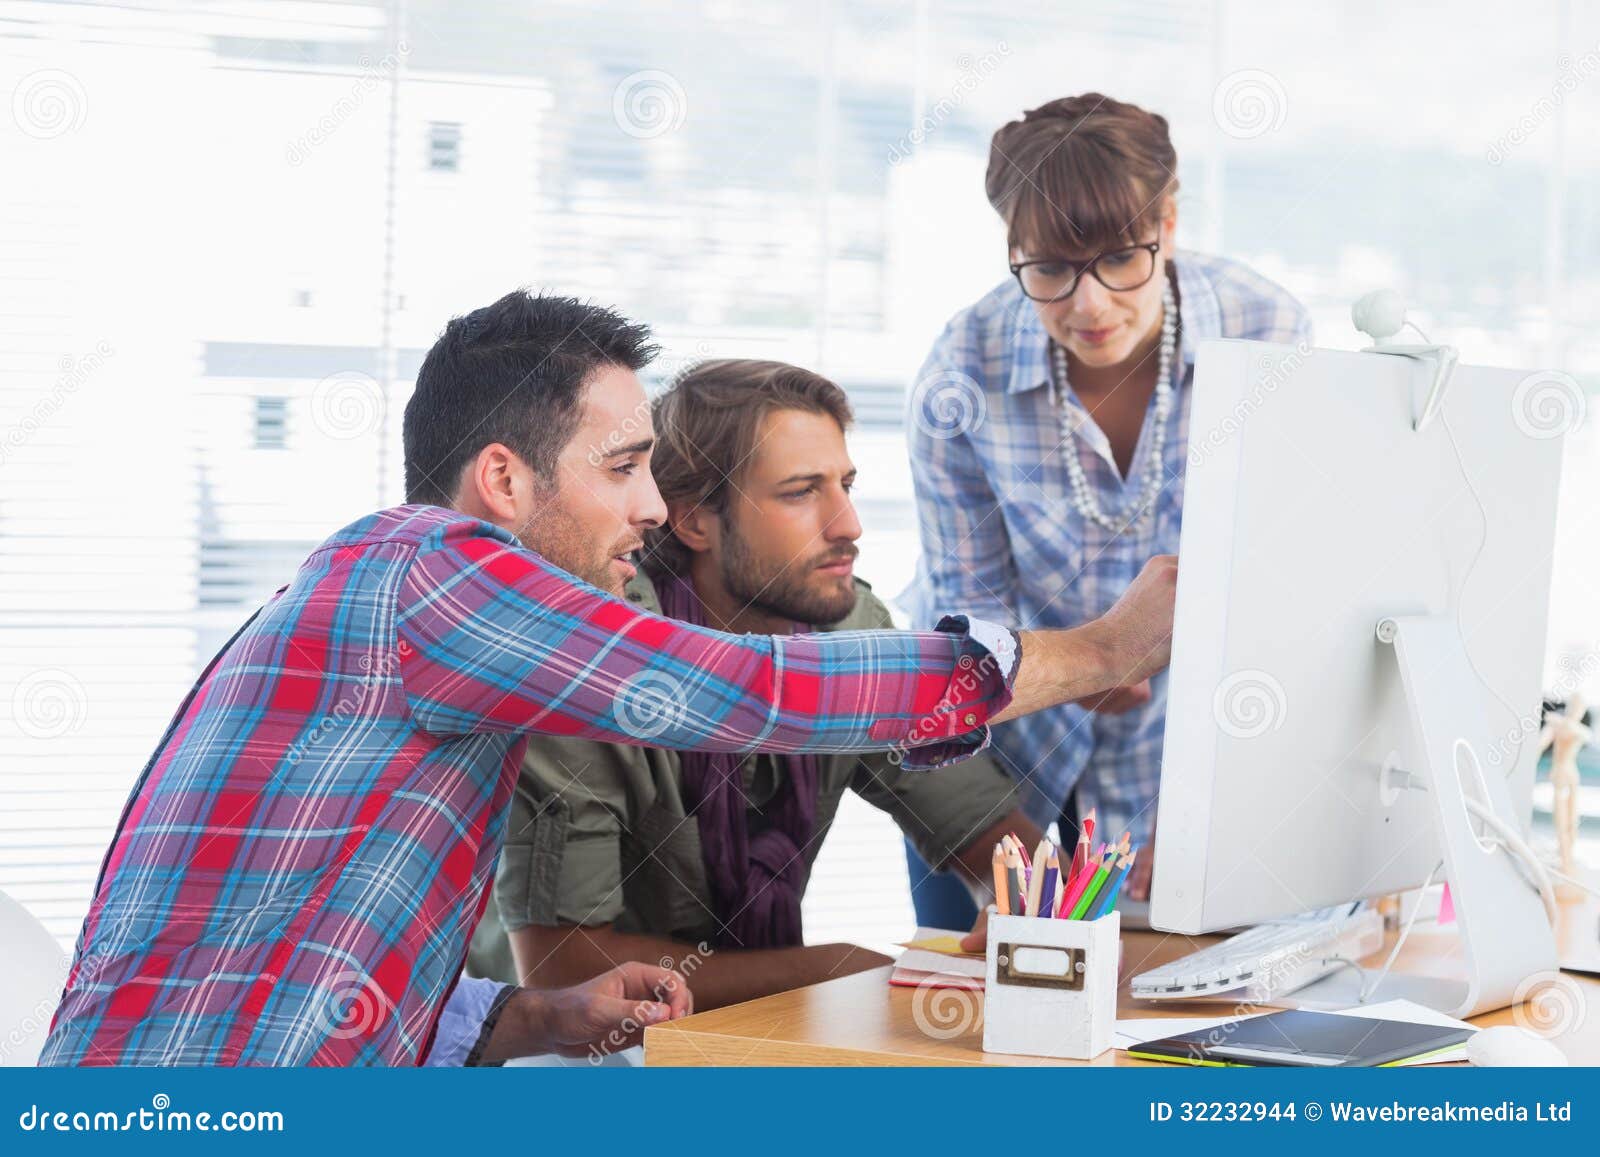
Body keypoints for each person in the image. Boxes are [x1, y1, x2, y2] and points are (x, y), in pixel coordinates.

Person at [42, 290, 1176, 1066]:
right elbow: (748, 692)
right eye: (623, 467)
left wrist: (528, 1011)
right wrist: (1107, 650)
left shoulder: (420, 617)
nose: (648, 504)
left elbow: (330, 958)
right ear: (501, 476)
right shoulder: (430, 571)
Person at [472, 359, 1043, 1007]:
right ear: (693, 523)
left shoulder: (848, 625)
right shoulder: (595, 661)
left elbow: (990, 833)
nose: (848, 524)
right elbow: (568, 970)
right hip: (551, 1058)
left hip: (747, 1031)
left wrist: (1024, 909)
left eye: (846, 485)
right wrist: (836, 969)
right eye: (801, 492)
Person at [904, 94, 1310, 911]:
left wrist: (1217, 814)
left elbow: (1290, 596)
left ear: (1169, 217)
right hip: (997, 753)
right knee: (971, 1007)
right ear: (1010, 246)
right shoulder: (961, 374)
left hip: (1193, 749)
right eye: (1049, 268)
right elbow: (967, 621)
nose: (1088, 306)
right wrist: (1080, 663)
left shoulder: (1266, 335)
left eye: (1123, 258)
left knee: (1171, 1006)